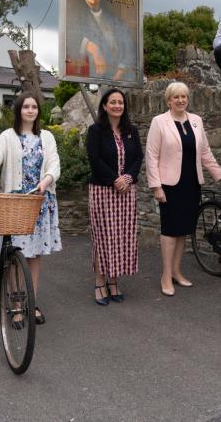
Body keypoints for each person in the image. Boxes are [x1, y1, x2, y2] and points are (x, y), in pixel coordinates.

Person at [0, 93, 62, 323]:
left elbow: (55, 164)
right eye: (25, 106)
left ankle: (32, 303)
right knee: (15, 256)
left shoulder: (46, 137)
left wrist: (46, 181)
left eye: (34, 106)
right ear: (18, 110)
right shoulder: (7, 137)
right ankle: (16, 305)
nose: (30, 110)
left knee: (34, 256)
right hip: (15, 205)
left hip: (39, 202)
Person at [146, 82, 221, 296]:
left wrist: (219, 174)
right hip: (169, 185)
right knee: (170, 230)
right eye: (176, 97)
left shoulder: (196, 121)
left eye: (184, 96)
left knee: (184, 229)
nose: (180, 100)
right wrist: (156, 186)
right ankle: (165, 275)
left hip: (191, 183)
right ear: (169, 100)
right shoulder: (159, 122)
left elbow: (205, 153)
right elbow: (151, 156)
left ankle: (177, 271)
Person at [86, 88, 143, 305]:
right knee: (103, 237)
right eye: (113, 102)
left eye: (120, 102)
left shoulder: (132, 130)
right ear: (104, 106)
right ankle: (100, 282)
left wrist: (127, 178)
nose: (117, 106)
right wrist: (114, 180)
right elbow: (94, 159)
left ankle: (113, 281)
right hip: (102, 191)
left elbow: (138, 157)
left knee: (121, 237)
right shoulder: (95, 130)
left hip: (127, 192)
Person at [66, 0, 136, 82]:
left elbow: (130, 49)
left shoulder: (116, 21)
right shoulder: (73, 15)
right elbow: (69, 40)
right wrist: (92, 47)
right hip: (93, 80)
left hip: (121, 80)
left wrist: (121, 71)